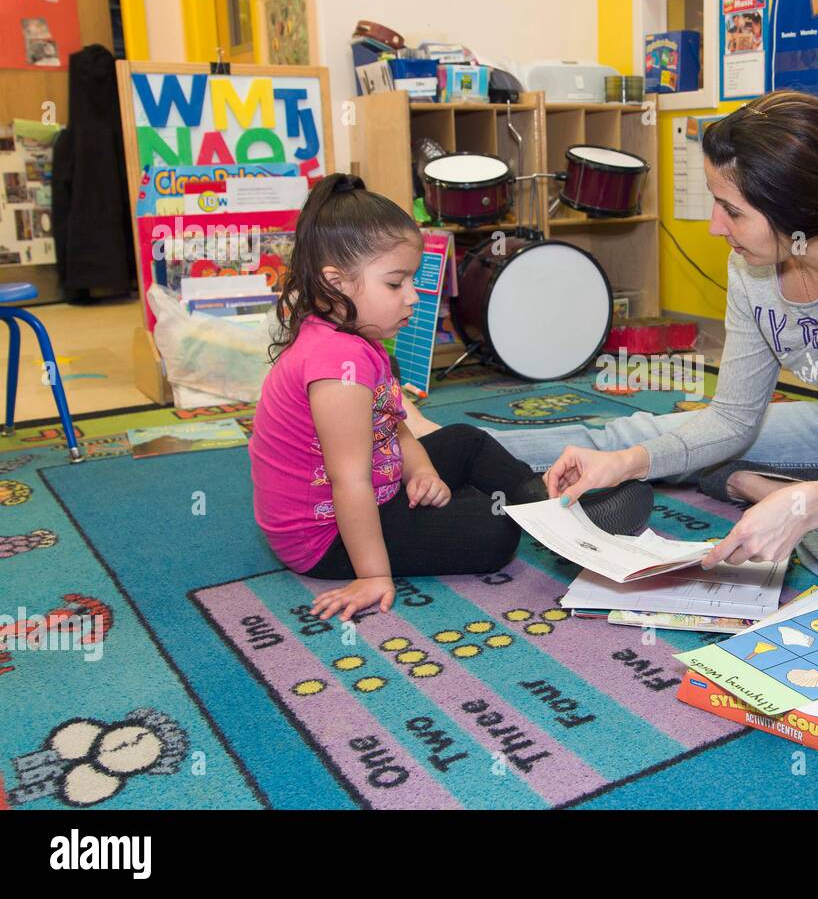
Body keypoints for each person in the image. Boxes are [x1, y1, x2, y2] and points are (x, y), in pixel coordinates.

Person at [485, 91, 818, 610]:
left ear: (797, 210)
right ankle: (464, 442)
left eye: (731, 210)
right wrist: (628, 464)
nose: (716, 226)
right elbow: (734, 420)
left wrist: (805, 506)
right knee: (639, 438)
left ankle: (779, 494)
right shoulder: (750, 265)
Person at [248, 174, 650, 622]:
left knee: (464, 438)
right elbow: (350, 482)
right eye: (395, 284)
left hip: (371, 496)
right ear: (336, 283)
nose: (413, 297)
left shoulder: (360, 341)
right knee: (494, 532)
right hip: (328, 537)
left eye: (411, 281)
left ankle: (544, 503)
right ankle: (538, 519)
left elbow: (393, 426)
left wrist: (419, 470)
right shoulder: (334, 365)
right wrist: (374, 576)